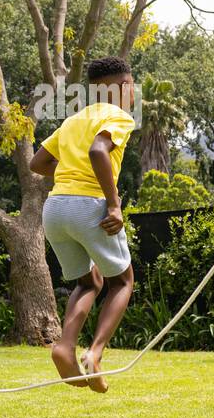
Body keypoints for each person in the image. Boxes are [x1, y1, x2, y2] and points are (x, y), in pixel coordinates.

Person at [30, 56, 137, 392]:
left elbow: (38, 163)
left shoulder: (75, 120)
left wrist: (68, 177)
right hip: (90, 206)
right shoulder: (119, 116)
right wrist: (114, 203)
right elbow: (98, 151)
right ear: (122, 87)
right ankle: (95, 353)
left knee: (87, 283)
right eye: (132, 85)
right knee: (122, 281)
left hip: (56, 208)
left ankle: (64, 345)